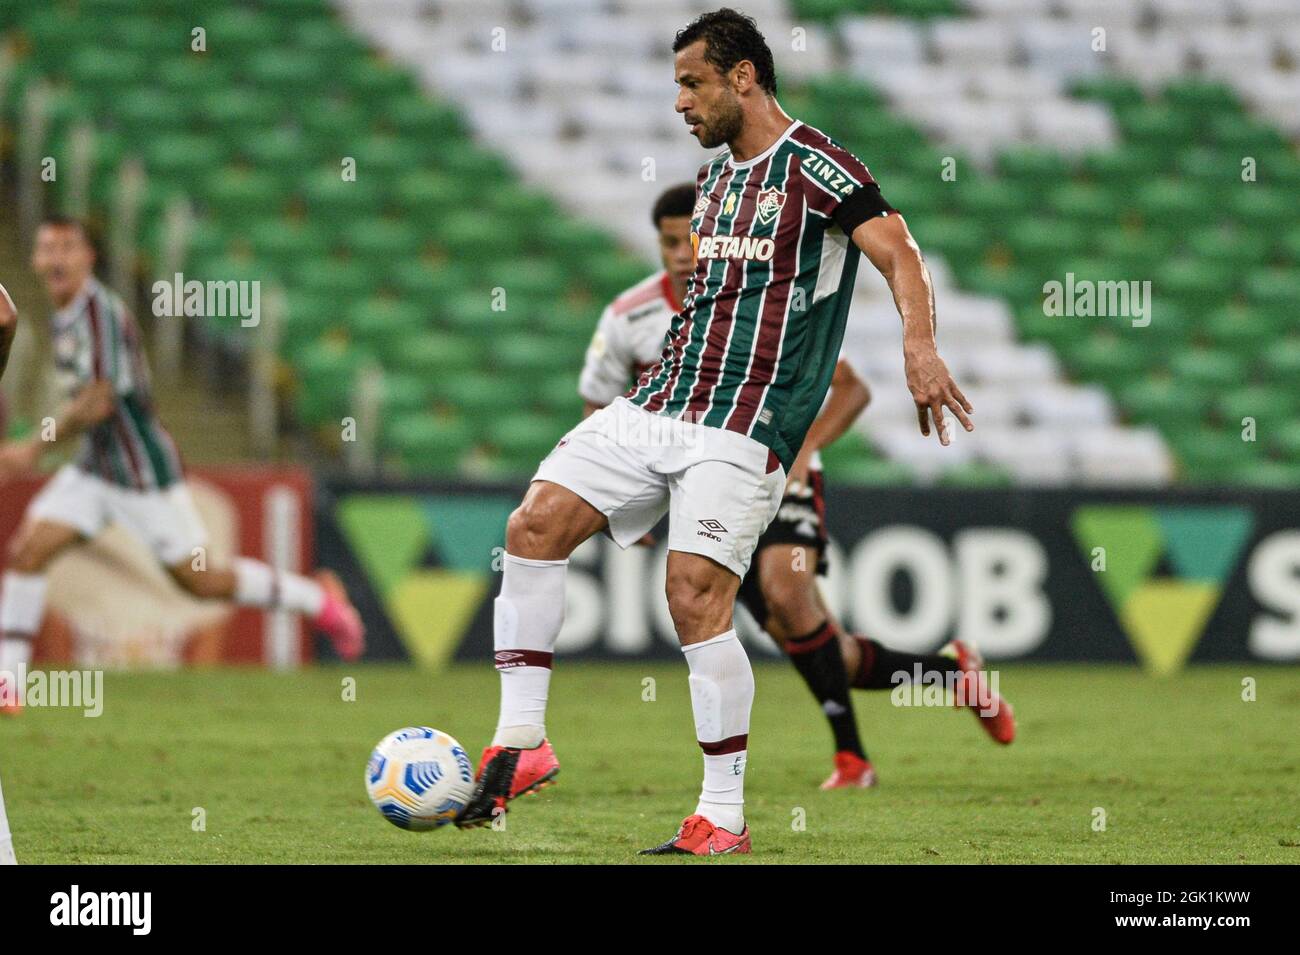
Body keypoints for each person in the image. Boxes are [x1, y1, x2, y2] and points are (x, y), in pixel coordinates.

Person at [456, 9, 974, 856]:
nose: (679, 103)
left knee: (693, 594)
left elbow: (900, 251)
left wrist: (920, 346)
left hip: (747, 422)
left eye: (691, 83)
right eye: (676, 86)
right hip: (662, 399)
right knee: (534, 524)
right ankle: (522, 743)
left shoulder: (819, 166)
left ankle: (722, 814)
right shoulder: (716, 183)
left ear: (742, 78)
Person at [580, 185, 1014, 793]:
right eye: (669, 242)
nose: (682, 253)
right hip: (698, 488)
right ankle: (947, 676)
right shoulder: (631, 315)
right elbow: (598, 404)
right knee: (807, 639)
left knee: (787, 594)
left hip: (773, 469)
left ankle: (852, 761)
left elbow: (852, 387)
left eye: (692, 238)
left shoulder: (750, 304)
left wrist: (804, 448)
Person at [0, 217, 365, 715]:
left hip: (141, 475)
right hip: (93, 469)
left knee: (200, 580)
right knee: (29, 550)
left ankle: (317, 600)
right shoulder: (63, 315)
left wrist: (34, 446)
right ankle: (9, 682)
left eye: (68, 247)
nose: (56, 258)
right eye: (47, 249)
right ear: (36, 261)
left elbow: (101, 400)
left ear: (88, 257)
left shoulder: (99, 314)